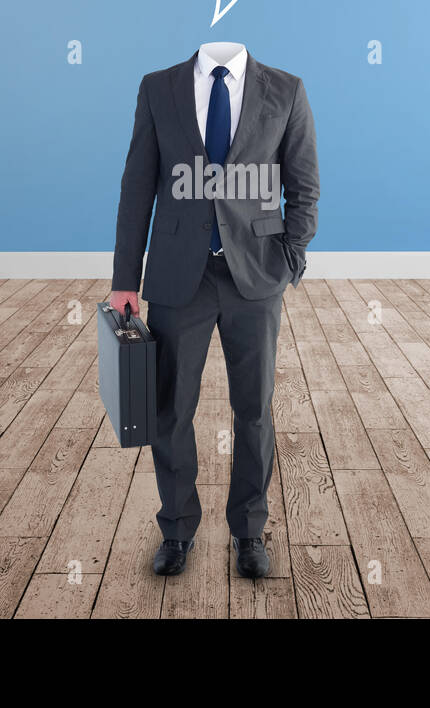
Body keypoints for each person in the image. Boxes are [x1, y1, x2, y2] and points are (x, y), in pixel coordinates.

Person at [108, 42, 319, 578]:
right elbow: (137, 188)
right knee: (171, 410)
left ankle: (249, 531)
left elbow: (304, 186)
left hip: (256, 277)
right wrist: (124, 281)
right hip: (181, 277)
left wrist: (289, 260)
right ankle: (176, 529)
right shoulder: (159, 87)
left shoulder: (286, 89)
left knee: (254, 409)